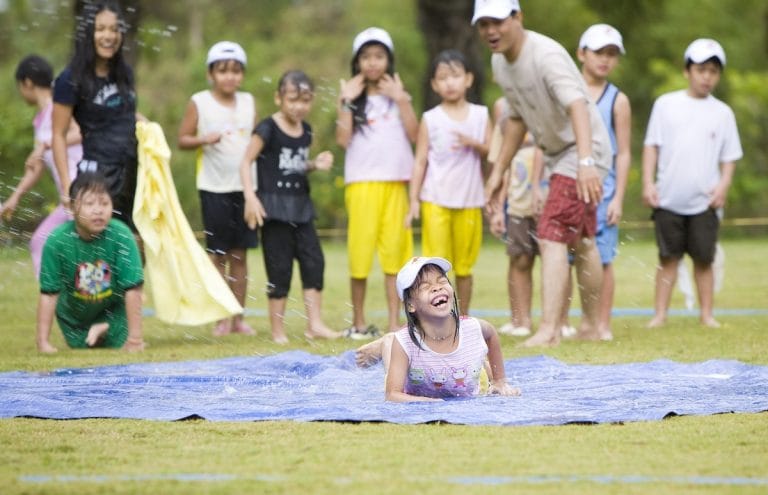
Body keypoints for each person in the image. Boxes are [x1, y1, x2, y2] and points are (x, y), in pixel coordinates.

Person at [474, 0, 613, 347]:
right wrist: (497, 173)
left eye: (498, 22)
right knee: (582, 240)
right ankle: (594, 327)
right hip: (556, 153)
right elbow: (517, 120)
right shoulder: (499, 63)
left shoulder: (544, 55)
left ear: (518, 17)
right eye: (483, 24)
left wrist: (585, 163)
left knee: (551, 235)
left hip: (582, 150)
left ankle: (549, 331)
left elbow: (577, 105)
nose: (491, 31)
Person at [642, 38, 742, 328]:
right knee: (668, 258)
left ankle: (706, 314)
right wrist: (648, 183)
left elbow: (730, 157)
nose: (707, 77)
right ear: (688, 71)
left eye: (713, 71)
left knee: (704, 259)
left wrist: (723, 185)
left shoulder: (723, 113)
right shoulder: (665, 105)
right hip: (668, 198)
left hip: (705, 201)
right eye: (701, 70)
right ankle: (659, 314)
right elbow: (651, 146)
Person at [239, 70, 340, 344]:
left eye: (305, 100)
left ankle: (315, 324)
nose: (299, 106)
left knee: (314, 263)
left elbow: (292, 167)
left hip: (302, 209)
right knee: (279, 269)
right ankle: (278, 332)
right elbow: (246, 161)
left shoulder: (306, 130)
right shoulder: (267, 128)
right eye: (293, 99)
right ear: (279, 98)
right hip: (273, 211)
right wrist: (250, 196)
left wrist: (314, 165)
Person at [336, 27, 419, 339]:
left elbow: (415, 135)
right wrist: (345, 101)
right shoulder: (351, 99)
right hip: (361, 184)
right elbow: (343, 139)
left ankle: (395, 323)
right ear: (357, 62)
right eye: (366, 57)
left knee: (395, 256)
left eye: (379, 56)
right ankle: (358, 321)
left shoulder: (397, 96)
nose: (372, 63)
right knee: (359, 253)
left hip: (396, 182)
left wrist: (401, 99)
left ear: (388, 60)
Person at [355, 257, 521, 402]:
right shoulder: (405, 342)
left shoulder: (473, 327)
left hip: (466, 377)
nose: (437, 288)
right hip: (412, 381)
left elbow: (491, 333)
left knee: (480, 365)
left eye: (442, 282)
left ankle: (481, 366)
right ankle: (387, 341)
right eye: (425, 287)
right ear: (411, 305)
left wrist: (500, 381)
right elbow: (392, 395)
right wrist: (426, 402)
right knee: (394, 357)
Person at [178, 41, 258, 337]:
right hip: (214, 188)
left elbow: (258, 141)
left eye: (236, 71)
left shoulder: (249, 102)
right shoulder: (199, 101)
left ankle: (238, 317)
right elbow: (182, 139)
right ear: (211, 73)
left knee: (241, 255)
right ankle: (220, 317)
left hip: (246, 188)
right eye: (223, 70)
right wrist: (204, 140)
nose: (230, 77)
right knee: (218, 255)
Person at [405, 49, 491, 316]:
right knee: (435, 267)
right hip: (436, 199)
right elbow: (420, 161)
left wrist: (474, 144)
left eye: (455, 75)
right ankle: (437, 317)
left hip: (469, 200)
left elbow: (493, 152)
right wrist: (413, 200)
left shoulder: (481, 115)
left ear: (468, 79)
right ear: (434, 84)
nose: (450, 82)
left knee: (464, 267)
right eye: (443, 77)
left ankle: (462, 318)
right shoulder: (431, 119)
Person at [52, 1, 140, 231]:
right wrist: (66, 188)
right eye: (100, 29)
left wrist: (149, 128)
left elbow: (124, 113)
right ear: (88, 32)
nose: (108, 36)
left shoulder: (125, 73)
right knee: (101, 254)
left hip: (133, 170)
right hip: (99, 176)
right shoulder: (70, 79)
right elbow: (58, 135)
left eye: (114, 29)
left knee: (136, 249)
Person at [36, 171, 144, 353]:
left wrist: (135, 339)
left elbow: (133, 288)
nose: (98, 210)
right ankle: (96, 329)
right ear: (71, 207)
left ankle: (107, 326)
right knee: (84, 344)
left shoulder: (121, 235)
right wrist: (43, 343)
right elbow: (49, 293)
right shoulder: (58, 241)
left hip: (116, 315)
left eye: (104, 203)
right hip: (75, 321)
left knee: (117, 330)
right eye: (89, 203)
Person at [571, 24, 632, 341]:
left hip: (603, 193)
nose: (605, 59)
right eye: (598, 52)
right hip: (569, 186)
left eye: (612, 54)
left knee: (603, 259)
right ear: (581, 54)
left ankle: (601, 323)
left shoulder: (617, 100)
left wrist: (618, 197)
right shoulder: (568, 91)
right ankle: (572, 321)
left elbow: (623, 153)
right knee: (567, 257)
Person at [2, 55, 82, 279]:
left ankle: (100, 300)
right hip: (68, 197)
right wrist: (15, 198)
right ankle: (53, 299)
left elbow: (81, 132)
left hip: (82, 192)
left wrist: (46, 144)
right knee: (40, 242)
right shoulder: (40, 121)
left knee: (85, 254)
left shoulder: (61, 106)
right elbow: (37, 167)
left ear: (27, 82)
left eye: (20, 86)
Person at [488, 98, 543, 338]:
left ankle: (560, 321)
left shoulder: (550, 104)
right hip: (517, 199)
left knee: (557, 260)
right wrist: (499, 206)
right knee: (520, 258)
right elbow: (502, 162)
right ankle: (521, 319)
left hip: (548, 197)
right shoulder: (503, 107)